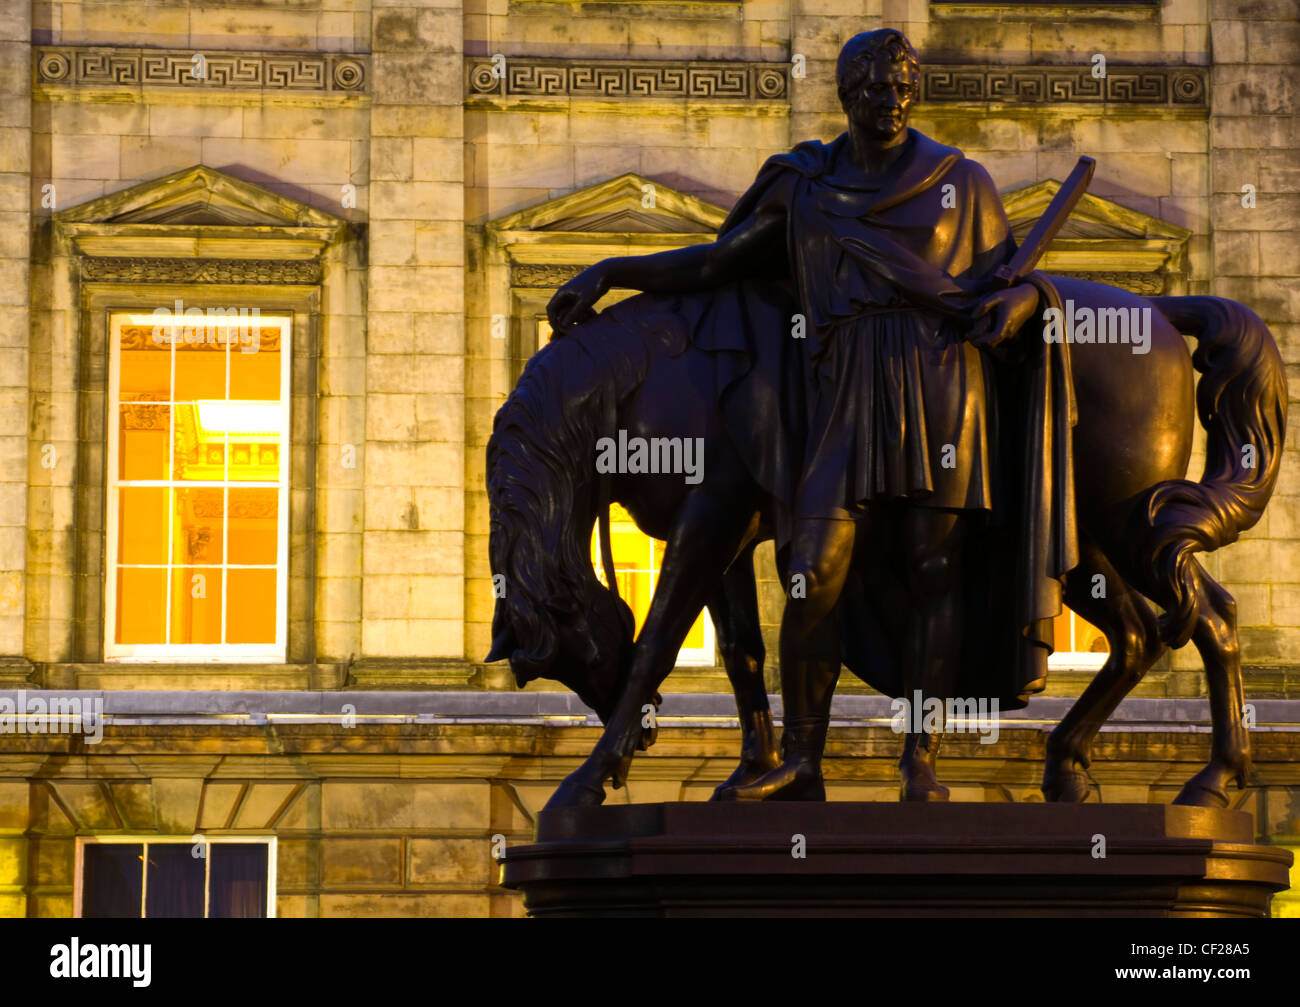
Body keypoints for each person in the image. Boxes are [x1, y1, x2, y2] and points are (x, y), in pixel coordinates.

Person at [550, 29, 1064, 801]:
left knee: (934, 569)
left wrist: (1029, 300)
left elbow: (1006, 280)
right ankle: (800, 758)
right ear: (847, 96)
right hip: (844, 388)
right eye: (874, 90)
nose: (890, 102)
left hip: (940, 384)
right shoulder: (808, 187)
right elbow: (717, 263)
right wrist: (610, 269)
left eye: (900, 88)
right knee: (810, 571)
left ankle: (920, 755)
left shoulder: (963, 182)